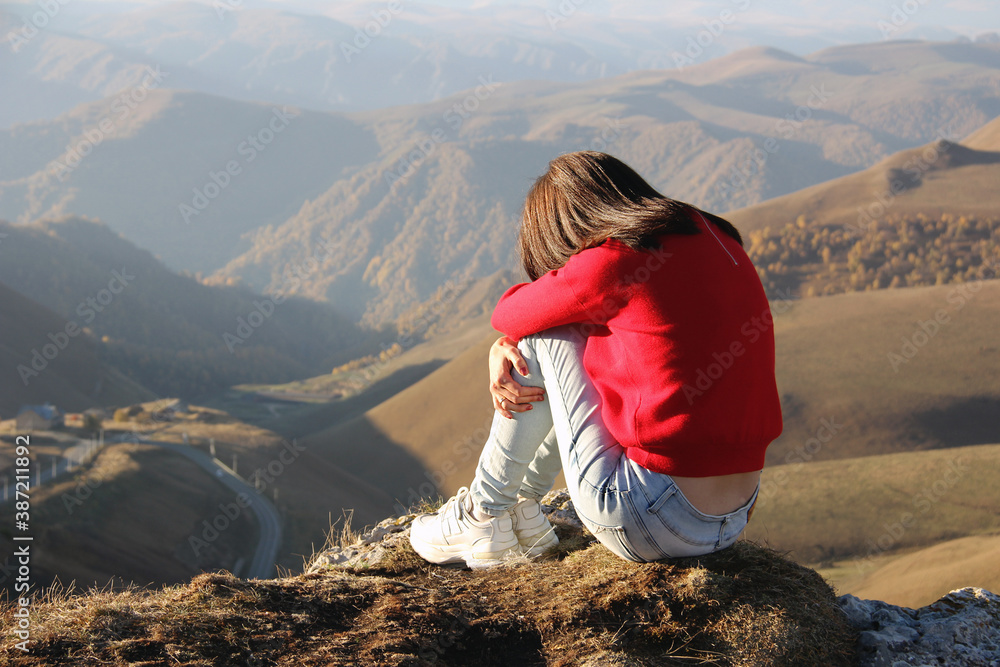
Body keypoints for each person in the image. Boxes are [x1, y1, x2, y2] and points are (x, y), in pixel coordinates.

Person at [409, 151, 782, 568]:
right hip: (731, 519)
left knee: (547, 333)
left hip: (649, 519)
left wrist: (508, 341)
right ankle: (525, 514)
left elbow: (511, 312)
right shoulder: (718, 238)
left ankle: (486, 512)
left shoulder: (616, 259)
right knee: (579, 332)